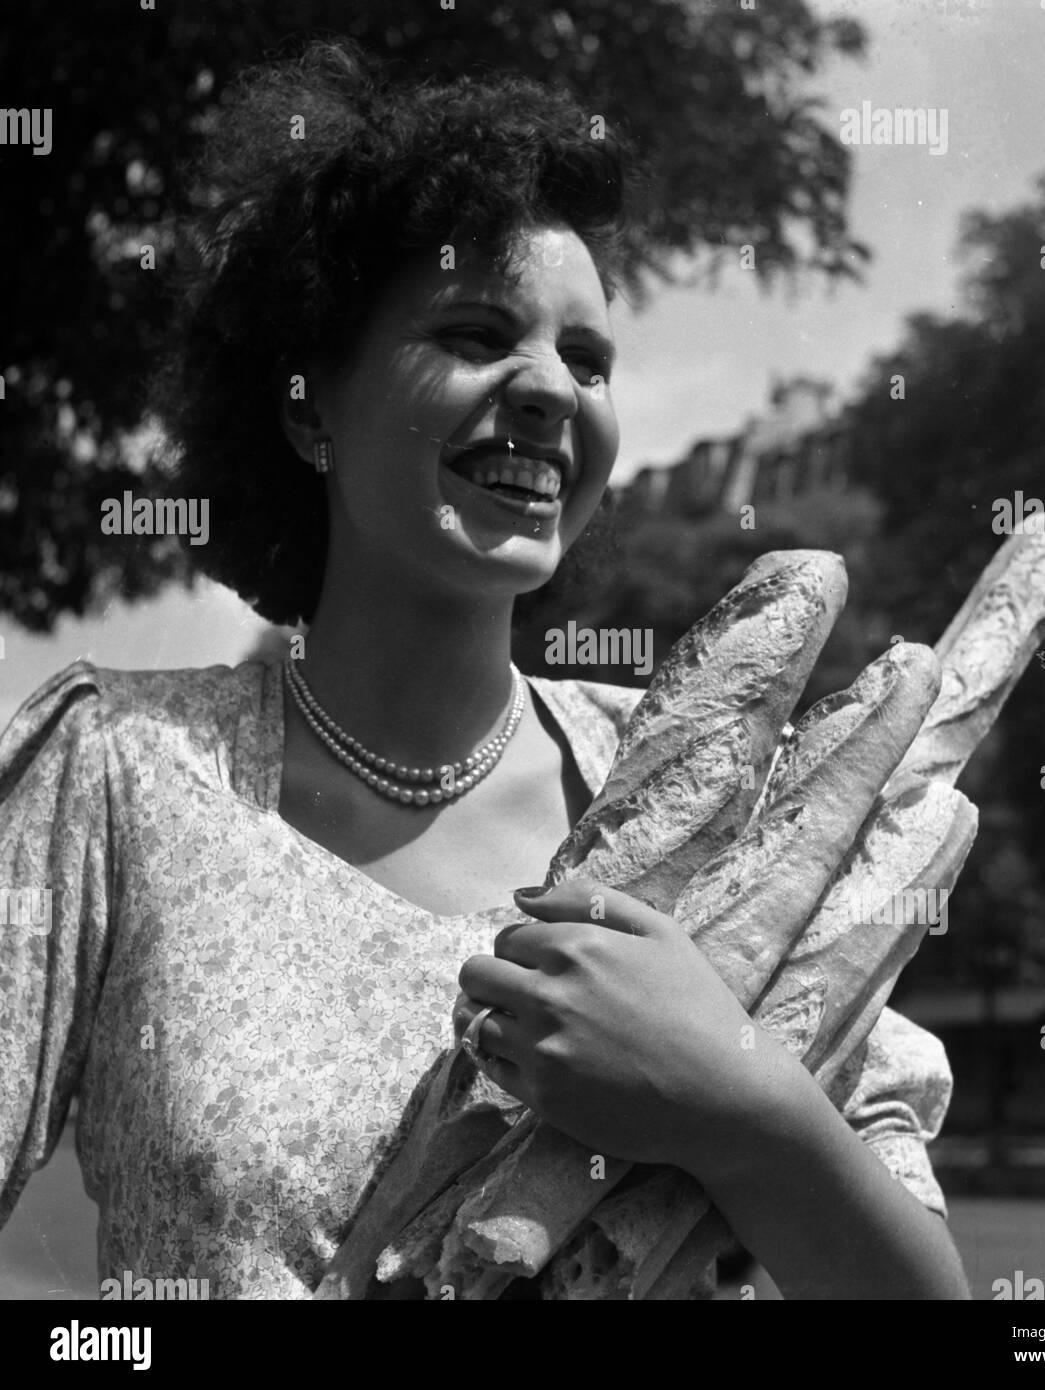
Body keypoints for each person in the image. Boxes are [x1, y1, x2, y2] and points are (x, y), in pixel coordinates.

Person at [0, 38, 969, 1300]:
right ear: (307, 408)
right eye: (474, 333)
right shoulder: (123, 774)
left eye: (588, 358)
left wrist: (736, 1101)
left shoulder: (734, 796)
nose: (551, 391)